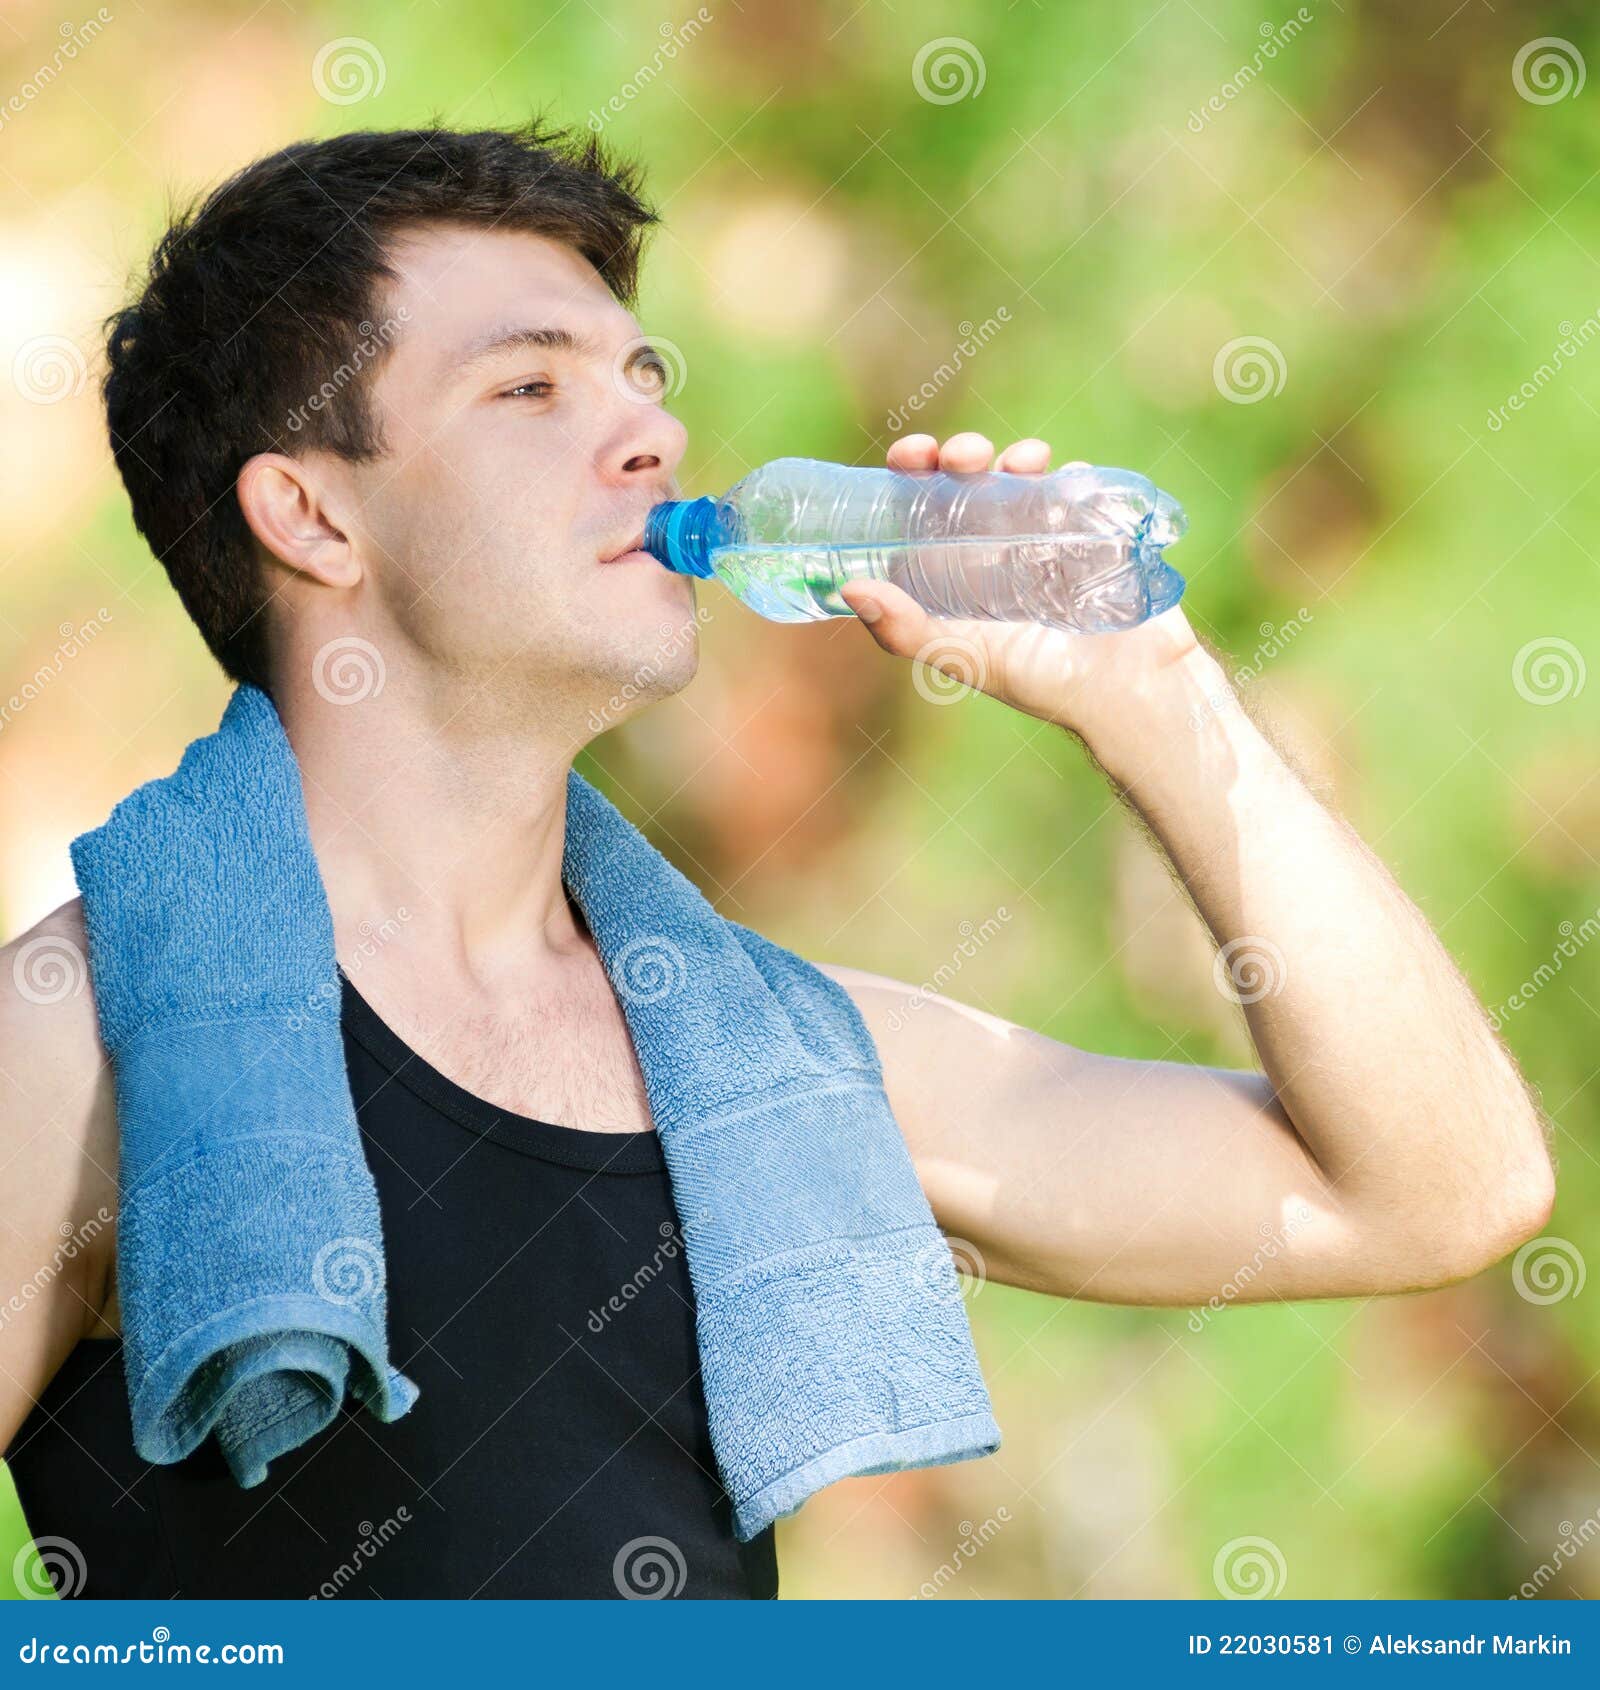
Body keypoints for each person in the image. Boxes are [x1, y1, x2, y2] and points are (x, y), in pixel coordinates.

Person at [0, 124, 1554, 1600]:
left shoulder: (785, 1063)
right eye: (532, 387)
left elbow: (1437, 1192)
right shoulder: (82, 1038)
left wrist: (1156, 695)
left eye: (642, 372)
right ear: (312, 513)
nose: (653, 431)